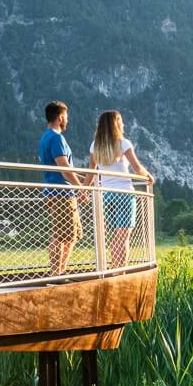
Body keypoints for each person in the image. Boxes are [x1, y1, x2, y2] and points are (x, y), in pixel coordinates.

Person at [88, 109, 151, 268]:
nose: (123, 124)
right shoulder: (123, 143)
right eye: (121, 121)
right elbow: (137, 168)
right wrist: (149, 176)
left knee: (116, 235)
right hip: (124, 194)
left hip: (106, 196)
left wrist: (82, 190)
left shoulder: (95, 146)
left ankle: (115, 268)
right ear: (116, 124)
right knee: (122, 236)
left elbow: (91, 172)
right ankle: (119, 271)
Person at [37, 100, 88, 274]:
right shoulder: (56, 138)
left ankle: (61, 270)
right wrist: (81, 188)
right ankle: (56, 273)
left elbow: (65, 168)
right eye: (66, 116)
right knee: (60, 235)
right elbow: (64, 168)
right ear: (60, 117)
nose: (68, 119)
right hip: (61, 193)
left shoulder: (46, 137)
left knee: (72, 235)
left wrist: (84, 179)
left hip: (58, 191)